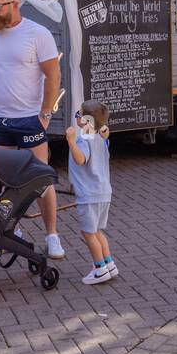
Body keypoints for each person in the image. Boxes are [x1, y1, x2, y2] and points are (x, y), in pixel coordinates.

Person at [0, 0, 65, 260]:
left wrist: (45, 115)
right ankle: (6, 232)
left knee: (41, 180)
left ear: (15, 4)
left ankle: (52, 236)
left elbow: (53, 76)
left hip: (28, 120)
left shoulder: (37, 34)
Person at [64, 100, 116, 285]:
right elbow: (102, 132)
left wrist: (70, 140)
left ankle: (99, 269)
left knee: (88, 233)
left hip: (89, 194)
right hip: (103, 192)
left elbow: (80, 159)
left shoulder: (83, 139)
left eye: (78, 114)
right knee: (97, 231)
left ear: (85, 121)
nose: (76, 117)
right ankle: (109, 264)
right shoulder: (100, 138)